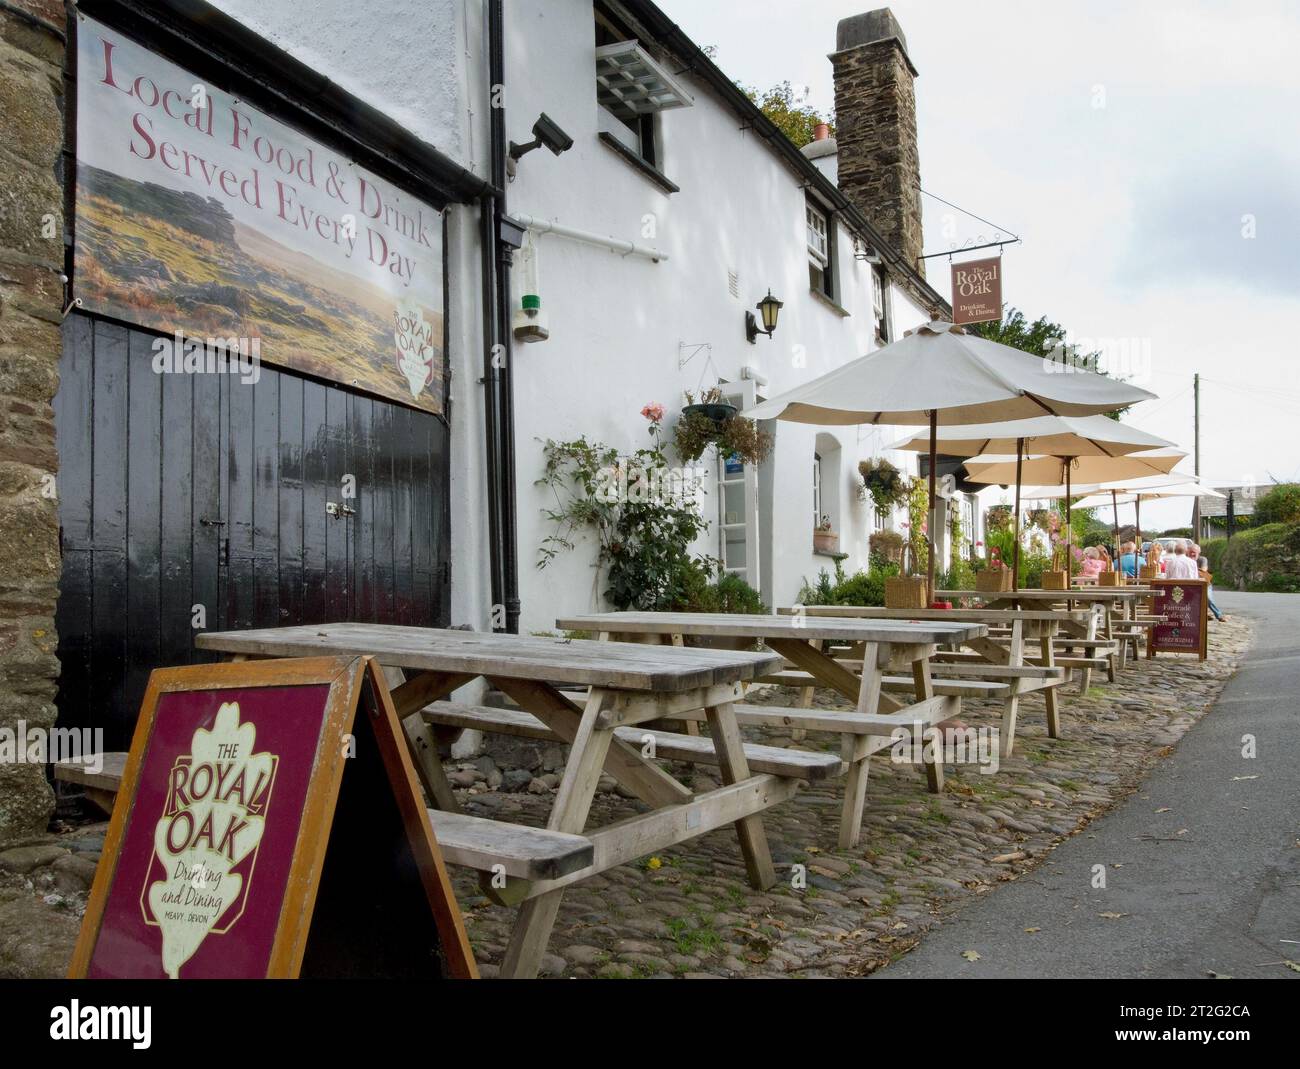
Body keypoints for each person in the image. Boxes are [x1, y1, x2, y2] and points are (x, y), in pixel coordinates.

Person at [1188, 543, 1227, 620]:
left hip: (1204, 584)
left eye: (1194, 552)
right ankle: (1201, 614)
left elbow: (1204, 570)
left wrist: (1191, 568)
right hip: (1191, 583)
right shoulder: (1186, 560)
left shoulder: (1203, 559)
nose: (1192, 554)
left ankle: (1219, 615)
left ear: (1199, 553)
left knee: (1208, 598)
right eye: (1191, 552)